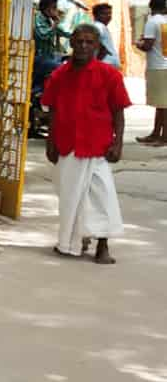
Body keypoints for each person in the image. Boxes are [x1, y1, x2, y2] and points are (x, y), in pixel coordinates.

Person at [42, 24, 130, 264]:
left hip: (97, 145)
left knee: (102, 197)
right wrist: (51, 141)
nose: (83, 46)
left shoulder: (109, 75)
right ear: (71, 43)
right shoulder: (59, 75)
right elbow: (53, 110)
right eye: (79, 41)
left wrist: (118, 143)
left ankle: (103, 245)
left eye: (88, 42)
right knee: (70, 196)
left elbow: (118, 112)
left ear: (97, 46)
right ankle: (73, 240)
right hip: (67, 145)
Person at [136, 0, 167, 145]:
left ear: (150, 4)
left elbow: (147, 46)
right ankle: (156, 133)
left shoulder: (152, 22)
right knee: (161, 104)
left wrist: (138, 43)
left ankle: (163, 137)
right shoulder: (165, 21)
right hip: (165, 64)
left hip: (157, 66)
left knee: (163, 104)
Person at [91, 3, 121, 69]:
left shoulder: (101, 26)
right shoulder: (98, 26)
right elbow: (94, 40)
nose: (108, 16)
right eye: (104, 14)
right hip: (105, 65)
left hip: (107, 65)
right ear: (96, 15)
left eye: (110, 13)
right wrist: (102, 50)